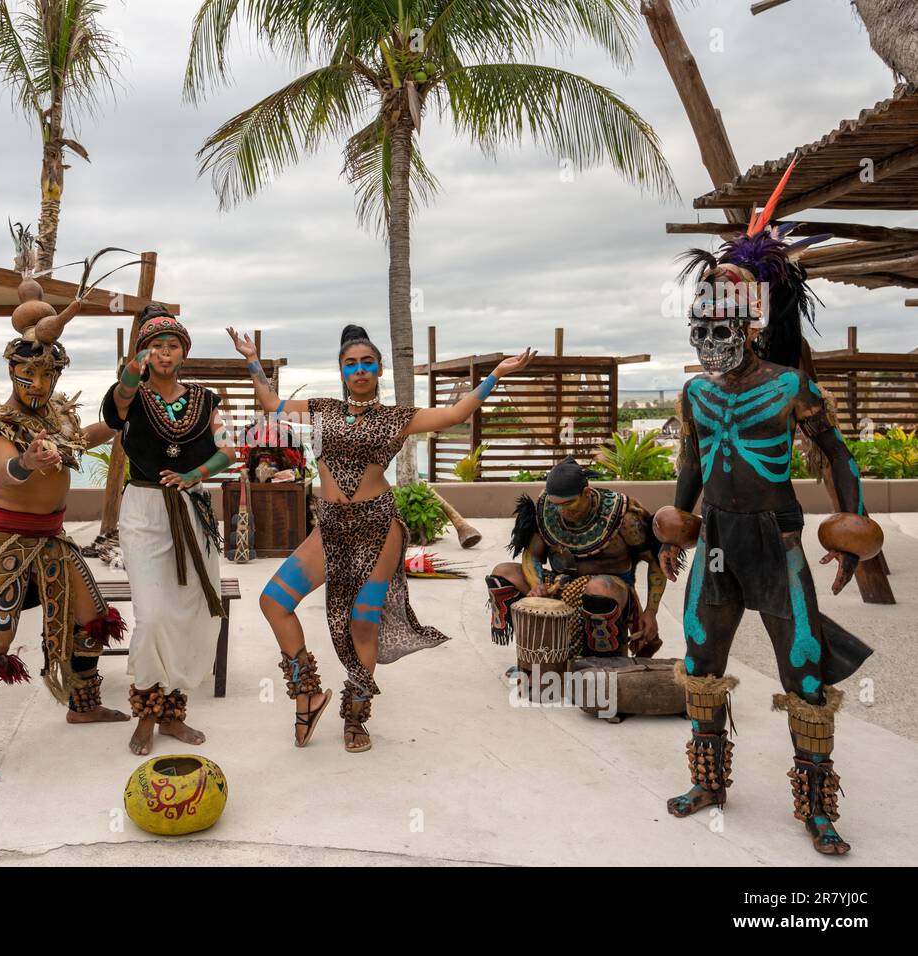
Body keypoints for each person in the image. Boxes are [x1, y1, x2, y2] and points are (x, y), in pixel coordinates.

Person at [658, 161, 877, 854]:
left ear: (752, 323)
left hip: (777, 541)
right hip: (717, 537)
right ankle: (710, 781)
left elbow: (838, 454)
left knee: (803, 670)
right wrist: (677, 526)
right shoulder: (695, 396)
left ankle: (816, 804)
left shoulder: (789, 387)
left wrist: (849, 534)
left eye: (723, 318)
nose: (712, 333)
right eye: (702, 319)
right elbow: (691, 463)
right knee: (700, 662)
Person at [230, 323, 535, 752]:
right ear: (341, 370)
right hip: (332, 526)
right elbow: (272, 405)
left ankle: (356, 717)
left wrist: (495, 375)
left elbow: (455, 415)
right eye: (351, 363)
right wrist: (251, 360)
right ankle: (308, 693)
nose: (359, 369)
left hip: (379, 528)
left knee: (362, 621)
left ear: (377, 369)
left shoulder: (396, 418)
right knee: (274, 602)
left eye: (367, 363)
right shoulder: (320, 410)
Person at [0, 310, 127, 788]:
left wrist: (121, 421)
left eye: (49, 374)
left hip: (52, 539)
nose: (40, 383)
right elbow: (7, 471)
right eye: (31, 374)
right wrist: (26, 460)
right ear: (12, 372)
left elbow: (84, 439)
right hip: (7, 542)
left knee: (93, 618)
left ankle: (82, 706)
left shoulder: (59, 419)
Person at [102, 307, 237, 756]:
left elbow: (228, 451)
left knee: (194, 615)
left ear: (184, 352)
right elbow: (119, 403)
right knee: (154, 614)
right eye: (155, 345)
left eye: (172, 345)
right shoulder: (132, 395)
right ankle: (145, 712)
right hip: (143, 513)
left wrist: (195, 474)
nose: (164, 352)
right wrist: (129, 373)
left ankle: (173, 714)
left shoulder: (205, 399)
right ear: (143, 353)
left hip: (191, 511)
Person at [489, 457, 665, 660]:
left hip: (611, 589)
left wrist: (651, 611)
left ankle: (603, 663)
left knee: (599, 588)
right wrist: (536, 585)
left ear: (587, 493)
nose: (562, 510)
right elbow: (531, 555)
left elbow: (655, 561)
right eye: (557, 504)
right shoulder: (545, 510)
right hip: (559, 585)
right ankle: (538, 653)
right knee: (502, 573)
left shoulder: (624, 516)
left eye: (569, 503)